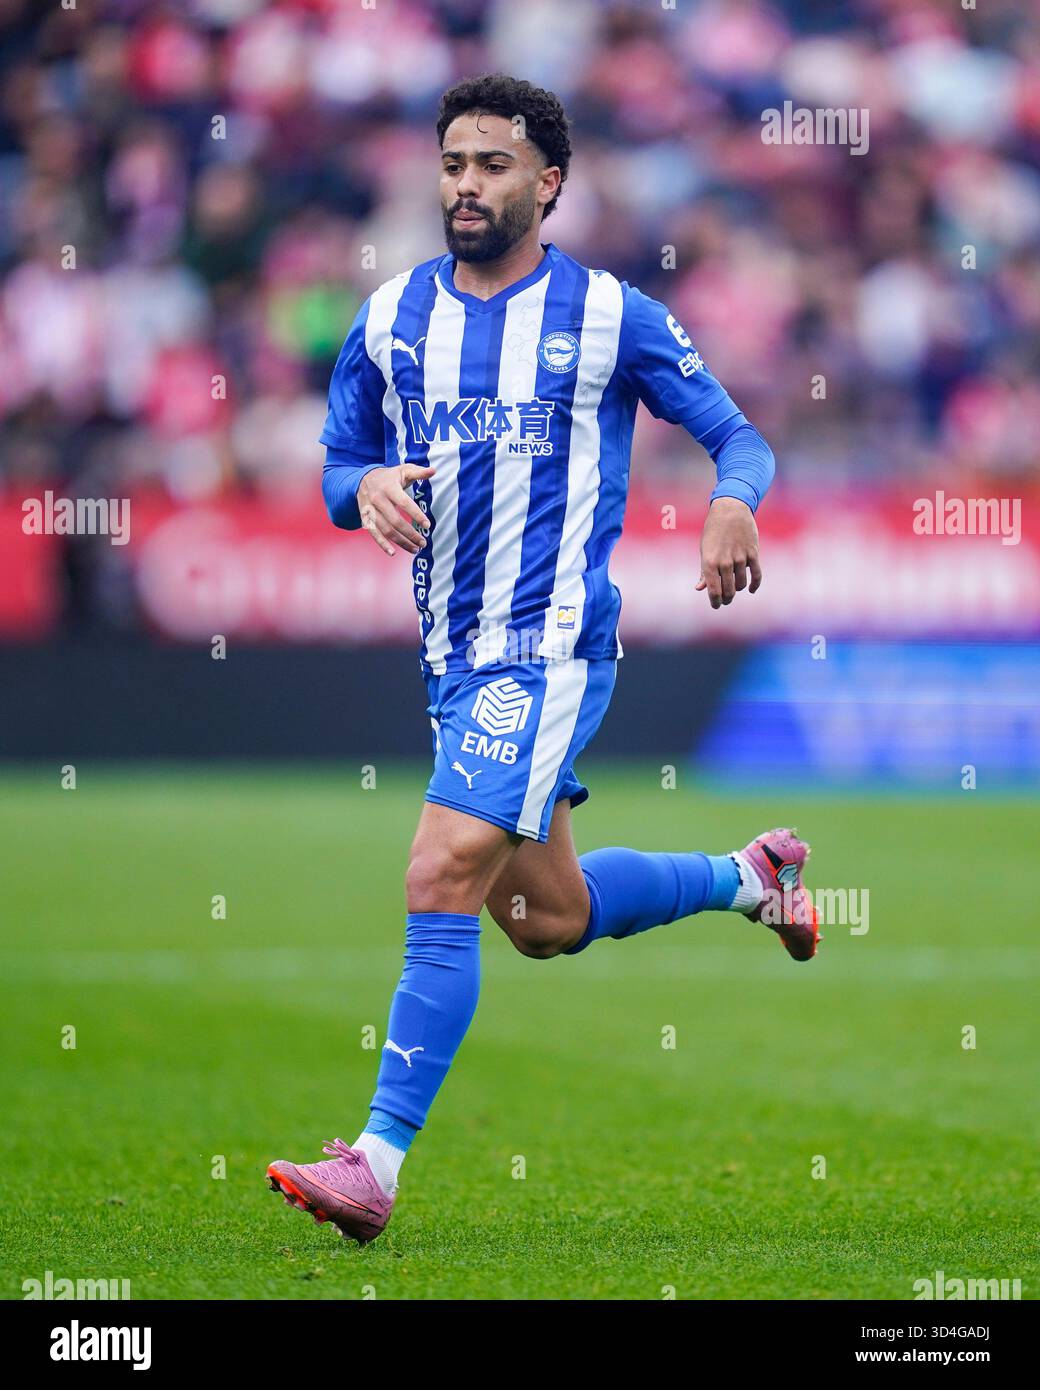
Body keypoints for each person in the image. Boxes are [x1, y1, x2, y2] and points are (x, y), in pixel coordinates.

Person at [267, 74, 817, 1245]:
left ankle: (374, 1161)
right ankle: (748, 878)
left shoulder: (609, 314)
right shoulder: (388, 316)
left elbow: (737, 433)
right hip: (450, 658)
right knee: (544, 918)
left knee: (438, 868)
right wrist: (359, 484)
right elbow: (333, 459)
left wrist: (732, 502)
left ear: (547, 183)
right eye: (453, 163)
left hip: (549, 642)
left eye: (493, 166)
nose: (466, 184)